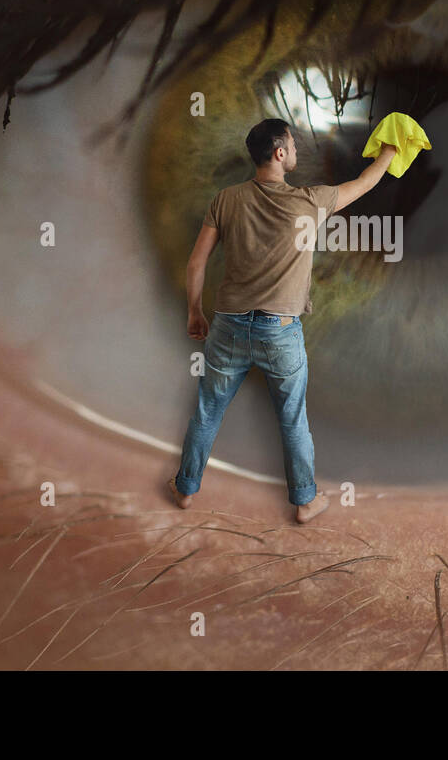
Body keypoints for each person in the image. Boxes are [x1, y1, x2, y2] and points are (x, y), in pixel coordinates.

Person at [169, 117, 397, 522]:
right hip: (280, 332)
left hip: (228, 326)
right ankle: (306, 502)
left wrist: (194, 311)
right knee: (292, 419)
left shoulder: (225, 199)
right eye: (292, 145)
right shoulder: (310, 201)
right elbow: (364, 183)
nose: (296, 151)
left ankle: (185, 490)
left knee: (206, 411)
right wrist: (391, 152)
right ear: (279, 153)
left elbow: (196, 261)